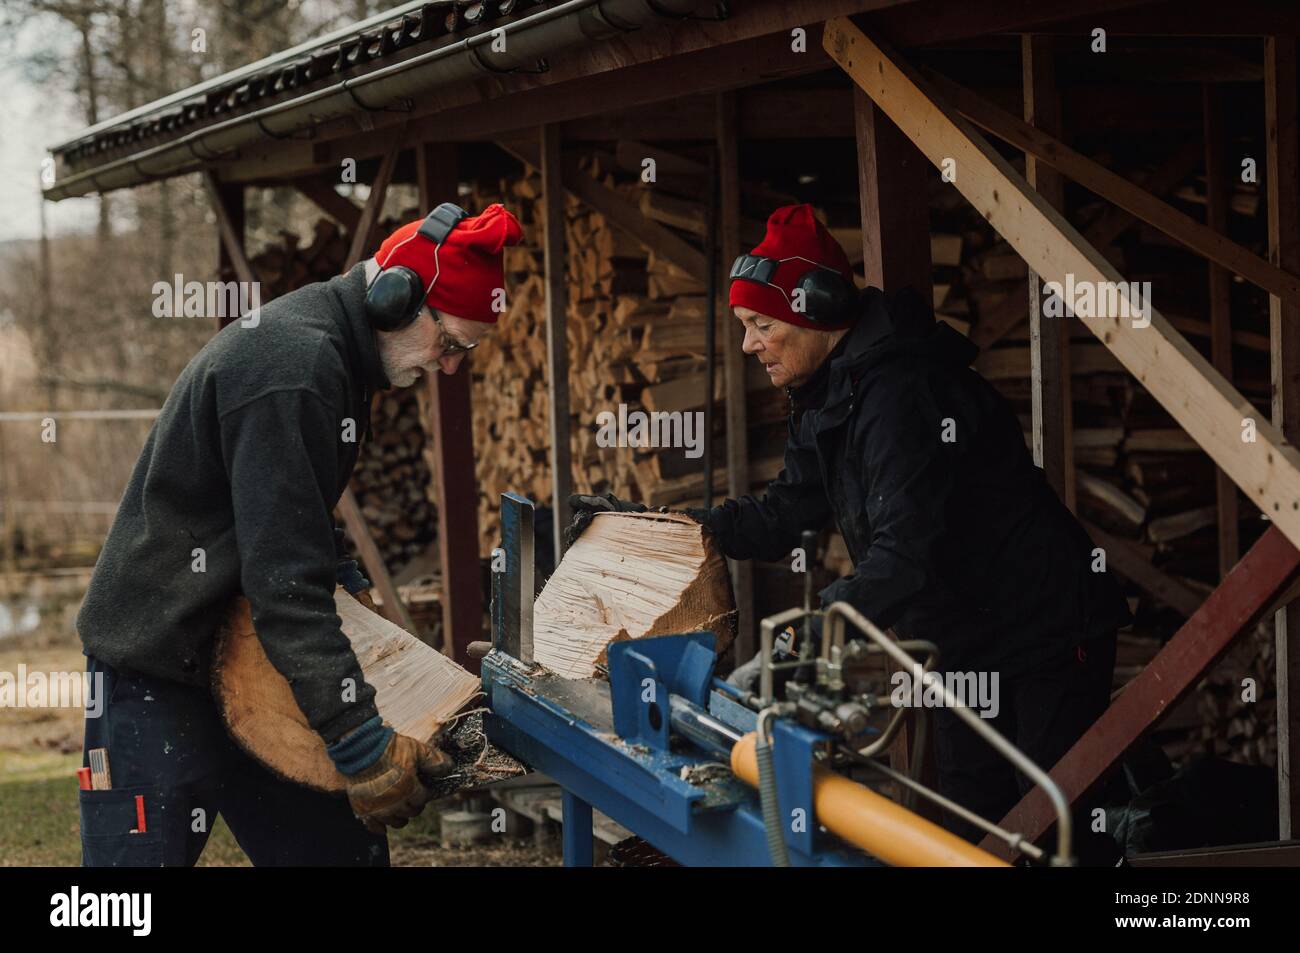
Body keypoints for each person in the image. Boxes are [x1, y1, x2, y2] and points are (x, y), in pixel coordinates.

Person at [570, 204, 1130, 857]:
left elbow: (907, 554)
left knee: (1061, 824)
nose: (749, 344)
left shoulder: (902, 395)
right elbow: (785, 511)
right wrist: (670, 528)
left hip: (1047, 631)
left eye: (760, 325)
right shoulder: (828, 394)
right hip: (968, 642)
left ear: (818, 312)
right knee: (973, 824)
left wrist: (813, 633)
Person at [76, 202, 523, 866]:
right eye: (452, 344)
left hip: (250, 654)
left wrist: (354, 599)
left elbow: (290, 522)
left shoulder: (334, 356)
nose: (450, 367)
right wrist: (363, 748)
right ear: (397, 297)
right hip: (157, 669)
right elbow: (284, 582)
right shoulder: (298, 367)